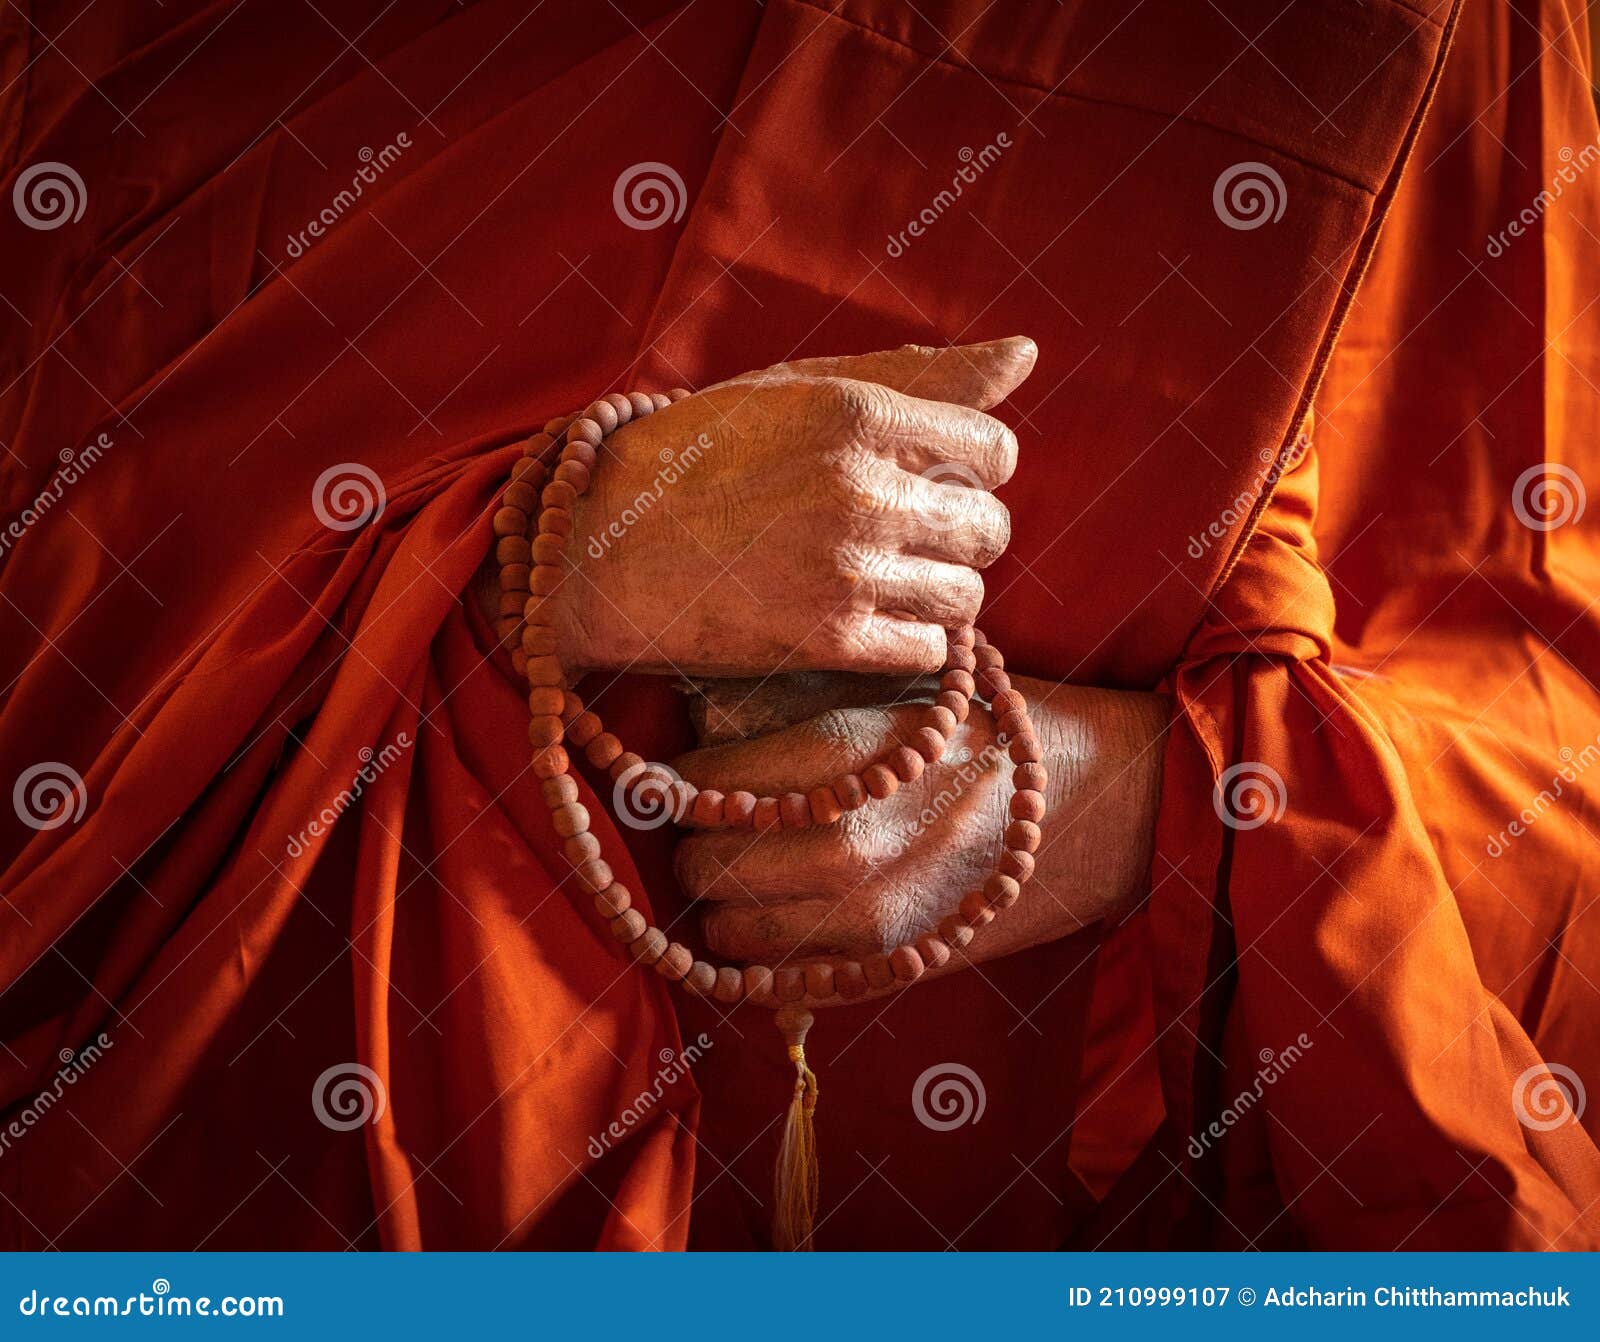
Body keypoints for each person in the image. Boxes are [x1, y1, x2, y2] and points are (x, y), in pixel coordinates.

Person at [0, 0, 1597, 1250]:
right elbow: (63, 501)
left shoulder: (1478, 45)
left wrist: (1138, 802)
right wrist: (561, 554)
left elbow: (1546, 704)